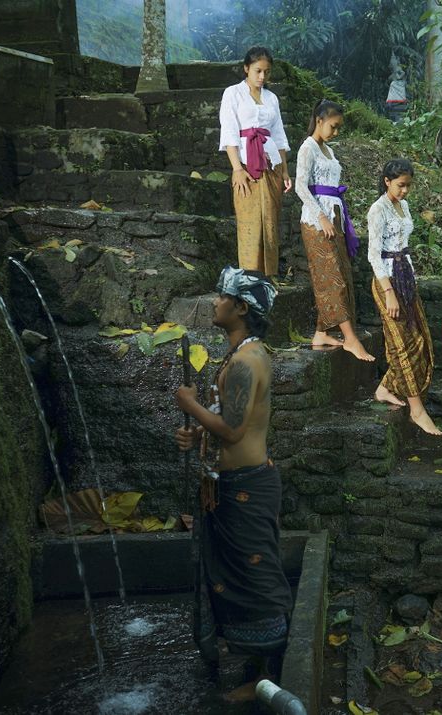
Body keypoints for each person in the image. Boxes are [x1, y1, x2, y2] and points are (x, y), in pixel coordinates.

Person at [174, 266, 292, 701]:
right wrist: (197, 431)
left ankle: (271, 674)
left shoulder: (245, 361)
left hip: (245, 483)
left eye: (223, 296)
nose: (216, 302)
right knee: (241, 575)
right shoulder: (242, 354)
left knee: (256, 579)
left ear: (241, 308)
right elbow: (224, 419)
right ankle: (254, 662)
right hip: (234, 484)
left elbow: (234, 429)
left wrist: (190, 405)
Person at [294, 99, 374, 361]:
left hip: (335, 217)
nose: (336, 131)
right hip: (317, 221)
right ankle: (350, 339)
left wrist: (336, 219)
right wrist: (322, 217)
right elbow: (300, 187)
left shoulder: (327, 149)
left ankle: (321, 331)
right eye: (334, 126)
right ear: (319, 120)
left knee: (340, 273)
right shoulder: (308, 148)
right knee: (331, 276)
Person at [367, 158, 442, 435]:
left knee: (418, 337)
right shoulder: (378, 210)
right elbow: (374, 255)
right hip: (387, 280)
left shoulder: (405, 206)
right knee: (402, 343)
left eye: (408, 185)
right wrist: (389, 293)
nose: (405, 191)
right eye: (400, 185)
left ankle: (385, 387)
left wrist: (408, 278)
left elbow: (403, 246)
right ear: (387, 182)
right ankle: (416, 410)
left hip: (406, 278)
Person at [219, 46, 292, 277]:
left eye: (267, 72)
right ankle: (250, 276)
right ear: (246, 69)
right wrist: (237, 169)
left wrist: (285, 171)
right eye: (258, 71)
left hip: (271, 165)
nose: (262, 77)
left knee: (270, 222)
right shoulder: (233, 93)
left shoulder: (272, 99)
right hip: (246, 165)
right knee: (249, 222)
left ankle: (268, 278)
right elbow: (230, 132)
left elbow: (279, 136)